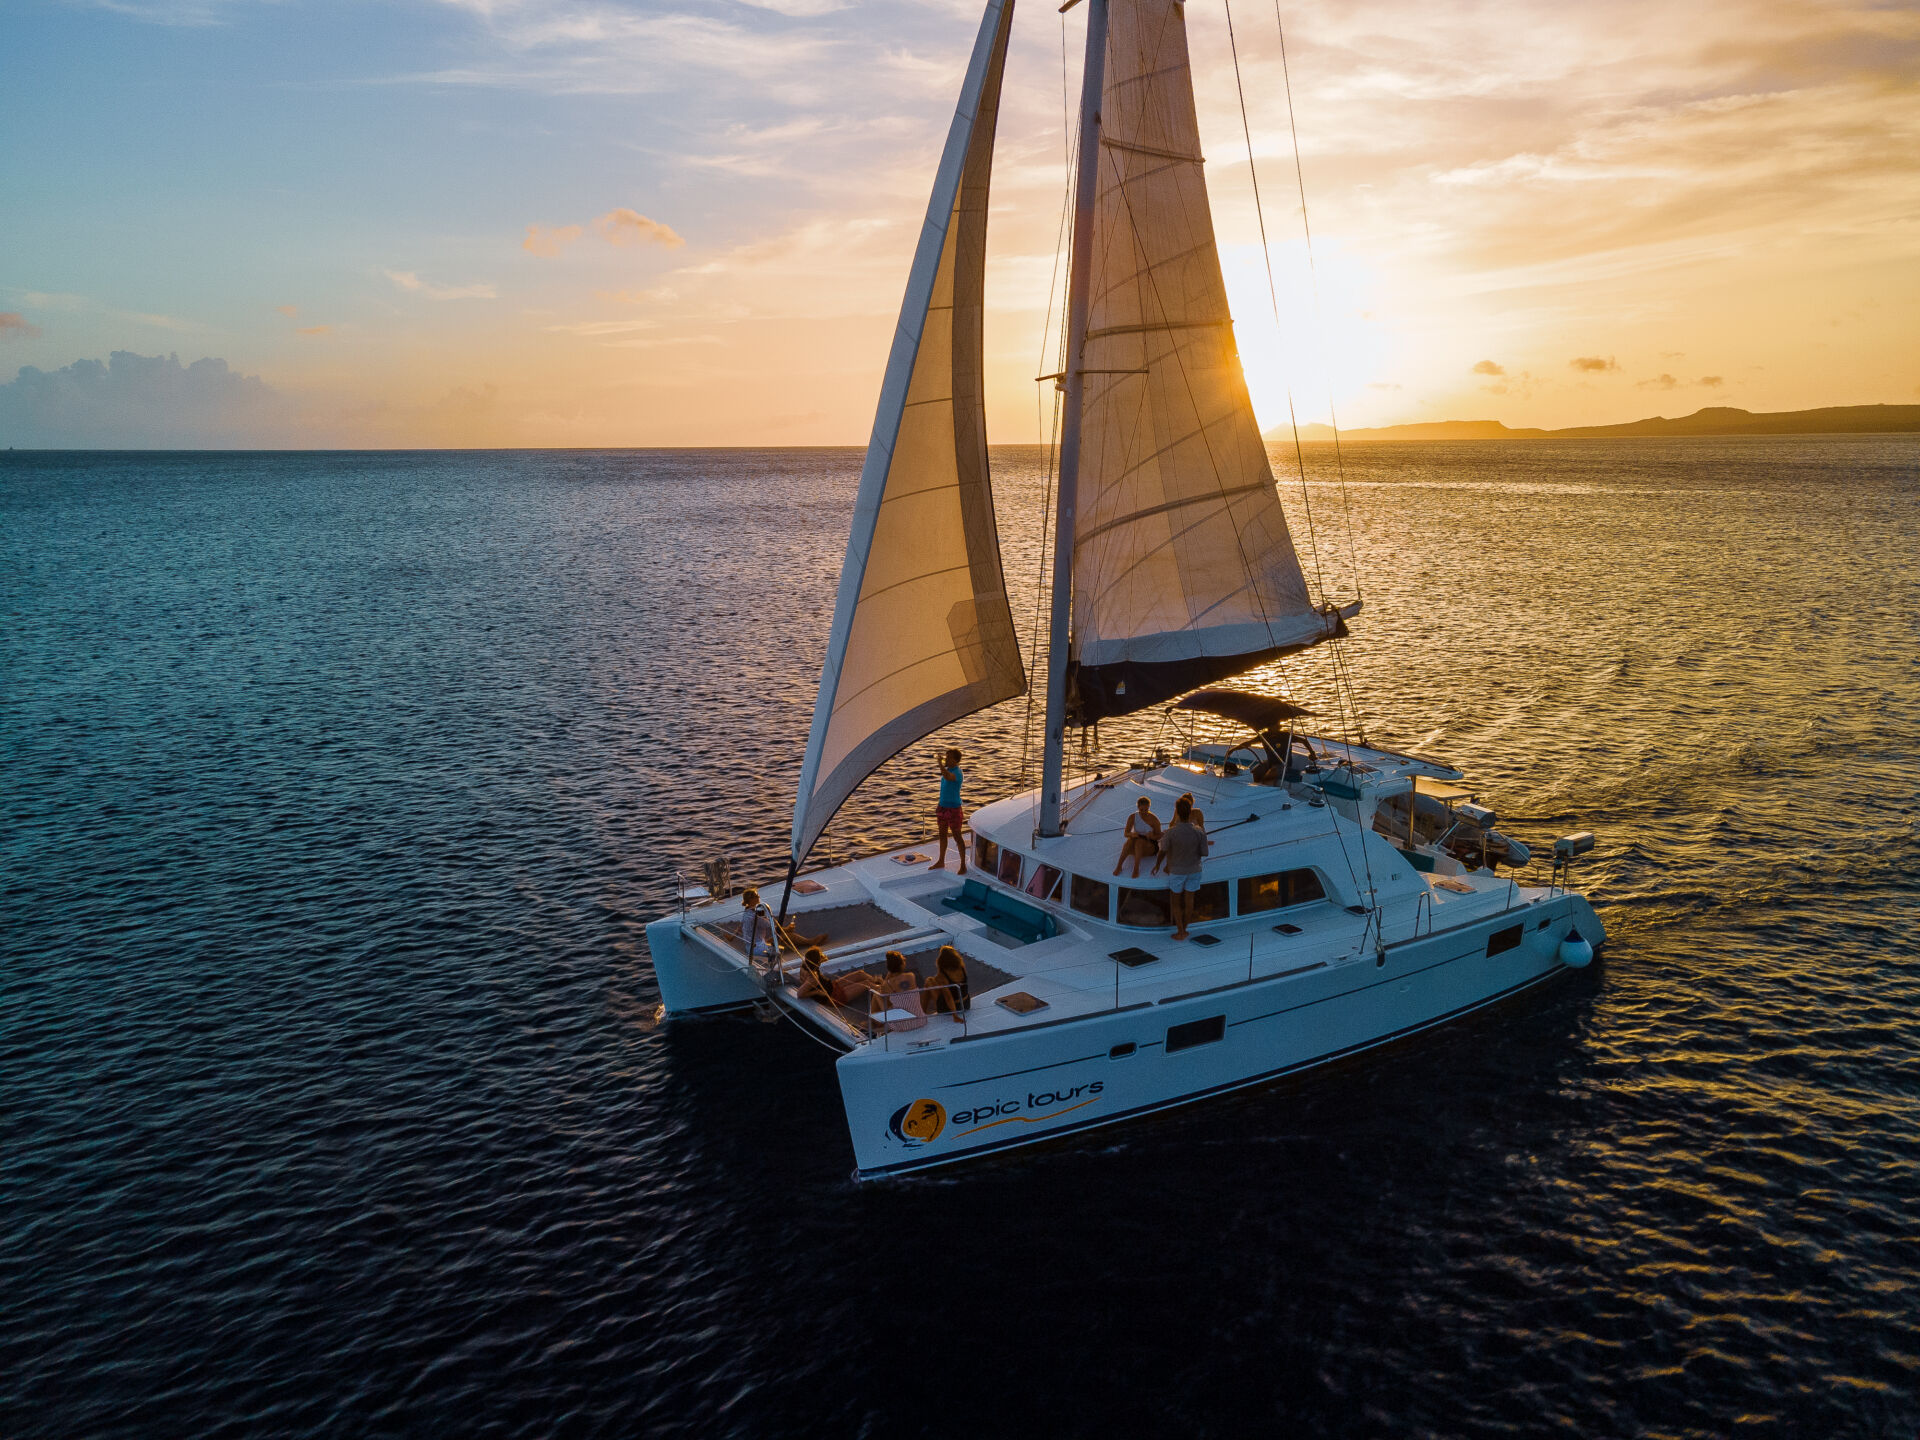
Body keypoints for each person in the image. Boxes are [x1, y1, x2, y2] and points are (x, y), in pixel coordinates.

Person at [1161, 796, 1208, 940]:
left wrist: (1160, 864)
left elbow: (1164, 849)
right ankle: (1185, 929)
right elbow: (1204, 852)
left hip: (1177, 871)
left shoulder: (1171, 832)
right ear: (1190, 811)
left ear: (1177, 811)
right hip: (1195, 870)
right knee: (1189, 901)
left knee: (1175, 902)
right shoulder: (1199, 831)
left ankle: (1180, 931)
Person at [740, 887, 826, 957]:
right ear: (750, 899)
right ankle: (810, 942)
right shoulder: (754, 916)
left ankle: (808, 942)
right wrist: (787, 929)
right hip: (757, 948)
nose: (759, 897)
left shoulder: (747, 912)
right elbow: (772, 927)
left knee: (785, 935)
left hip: (754, 944)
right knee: (783, 944)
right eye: (756, 896)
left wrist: (786, 929)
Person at [930, 748, 968, 873]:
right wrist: (939, 805)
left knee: (957, 836)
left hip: (954, 809)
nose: (946, 759)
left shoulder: (957, 773)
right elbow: (944, 789)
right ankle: (941, 861)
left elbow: (947, 777)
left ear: (956, 760)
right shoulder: (948, 770)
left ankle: (963, 864)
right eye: (946, 757)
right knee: (942, 835)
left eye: (949, 757)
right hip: (943, 807)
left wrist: (939, 763)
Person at [1113, 796, 1162, 878]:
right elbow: (1126, 833)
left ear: (1149, 807)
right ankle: (1119, 866)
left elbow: (1159, 835)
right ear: (1138, 807)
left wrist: (1152, 836)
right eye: (1141, 810)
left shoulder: (1154, 819)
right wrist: (1131, 834)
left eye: (1146, 810)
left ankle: (1136, 868)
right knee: (1129, 842)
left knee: (1139, 842)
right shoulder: (1132, 817)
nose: (1144, 812)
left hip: (1150, 844)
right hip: (1137, 840)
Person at [924, 945, 970, 1015]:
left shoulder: (943, 974)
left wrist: (955, 1016)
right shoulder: (962, 967)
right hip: (966, 1004)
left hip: (953, 1008)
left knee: (929, 982)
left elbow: (948, 998)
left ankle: (925, 1010)